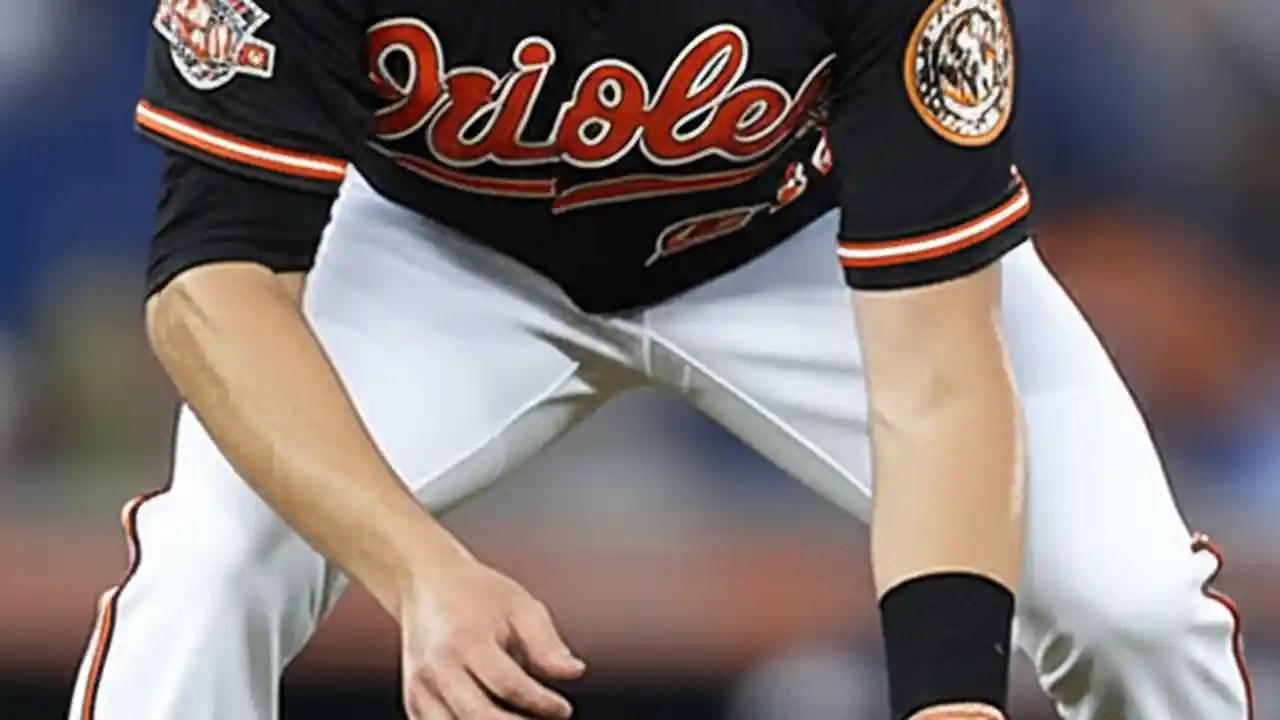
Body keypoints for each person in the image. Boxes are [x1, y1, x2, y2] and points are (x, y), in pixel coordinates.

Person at [70, 0, 1253, 718]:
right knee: (208, 577)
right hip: (434, 244)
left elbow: (936, 370)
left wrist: (949, 700)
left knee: (1133, 608)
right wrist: (418, 569)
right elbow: (211, 290)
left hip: (794, 234)